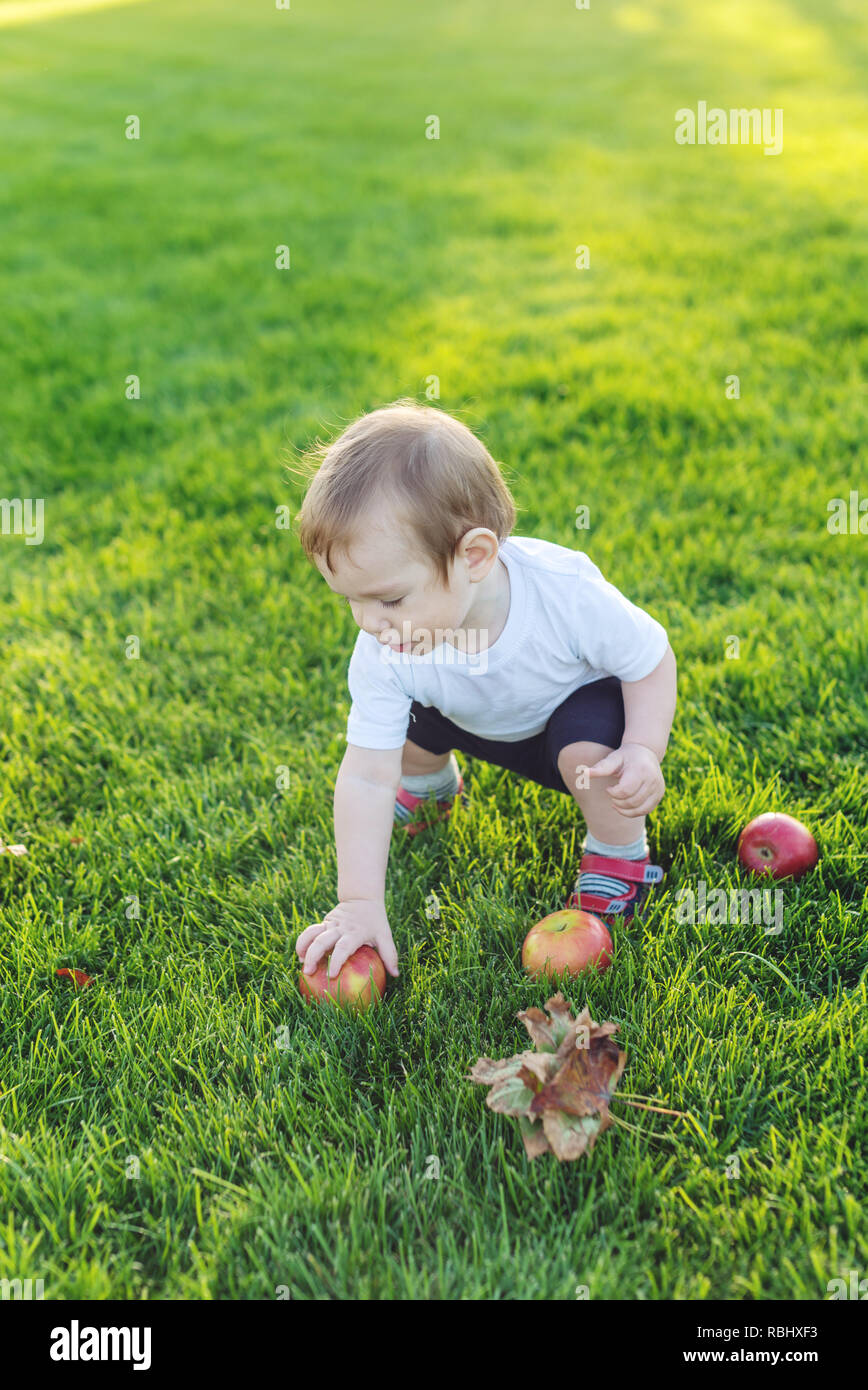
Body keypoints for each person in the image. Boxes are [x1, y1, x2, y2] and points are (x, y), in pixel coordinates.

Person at [291, 400, 677, 982]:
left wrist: (644, 748)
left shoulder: (562, 592)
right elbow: (367, 773)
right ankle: (431, 786)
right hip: (473, 718)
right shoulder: (386, 646)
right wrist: (360, 902)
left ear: (473, 556)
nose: (367, 623)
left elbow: (650, 659)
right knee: (405, 731)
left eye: (389, 599)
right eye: (350, 600)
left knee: (590, 762)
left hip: (569, 720)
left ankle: (620, 855)